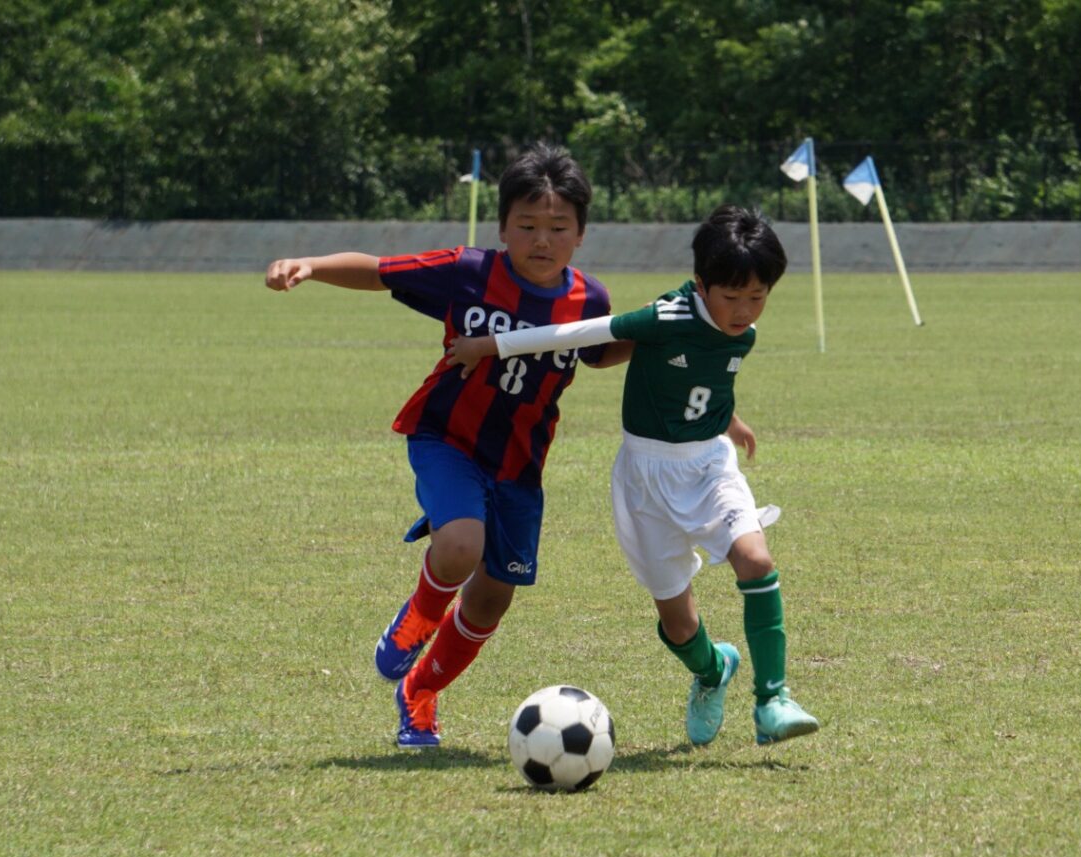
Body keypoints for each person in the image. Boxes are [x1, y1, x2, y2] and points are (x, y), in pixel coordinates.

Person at [263, 143, 630, 748]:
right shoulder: (470, 271)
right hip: (447, 438)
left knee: (490, 601)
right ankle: (417, 618)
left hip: (519, 468)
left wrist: (649, 337)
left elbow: (597, 352)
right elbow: (380, 271)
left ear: (581, 234)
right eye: (527, 226)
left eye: (558, 227)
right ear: (503, 228)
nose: (542, 240)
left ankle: (420, 693)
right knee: (459, 545)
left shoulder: (589, 299)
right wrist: (310, 263)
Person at [446, 205, 819, 746]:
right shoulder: (665, 318)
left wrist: (729, 420)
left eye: (757, 297)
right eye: (732, 297)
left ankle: (773, 702)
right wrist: (488, 345)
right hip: (646, 476)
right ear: (701, 284)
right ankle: (713, 671)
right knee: (677, 623)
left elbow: (708, 377)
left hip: (709, 465)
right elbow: (575, 333)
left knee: (756, 559)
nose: (743, 311)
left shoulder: (745, 333)